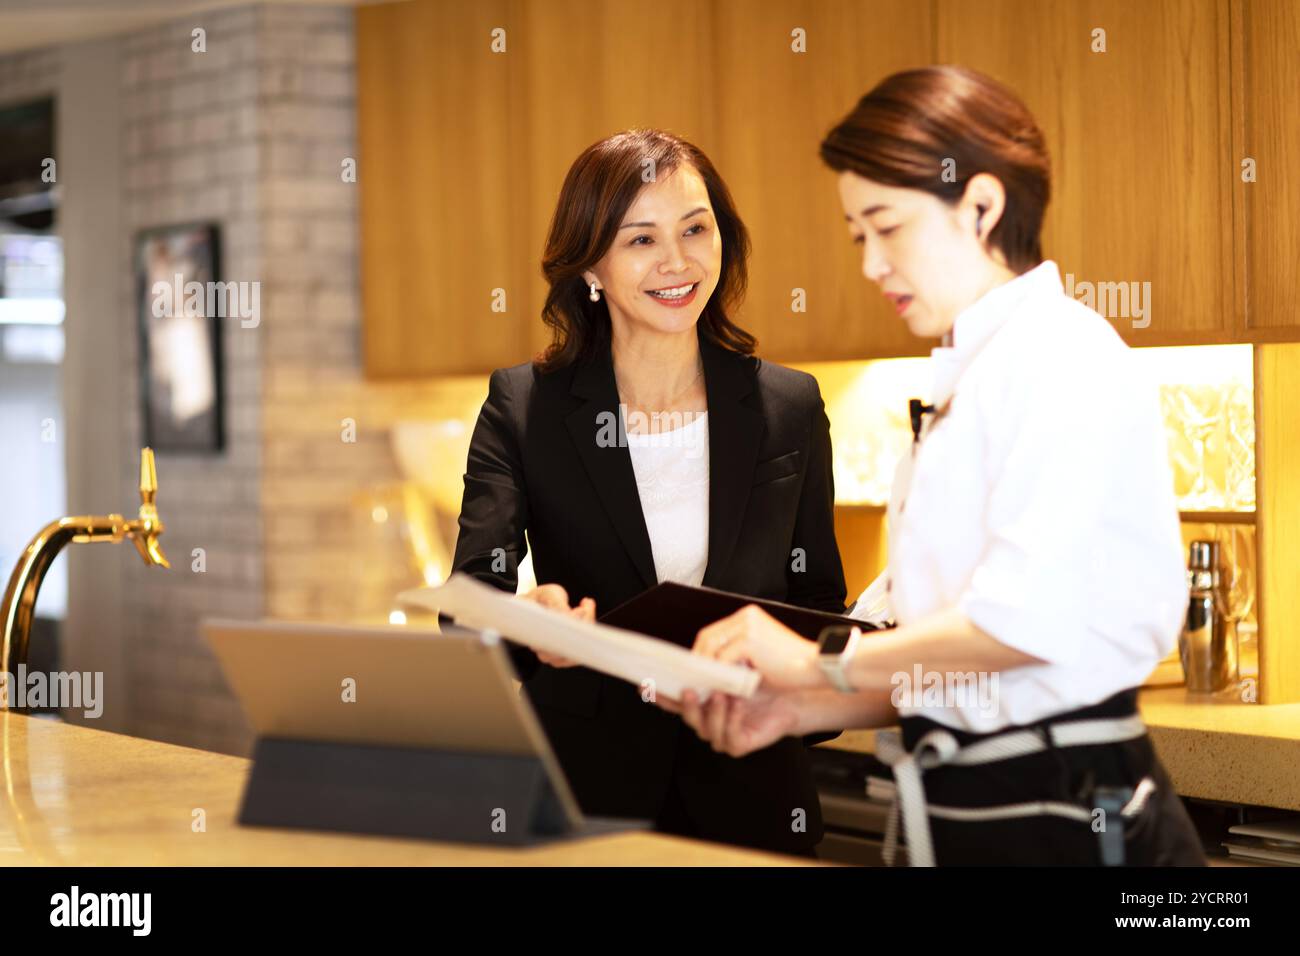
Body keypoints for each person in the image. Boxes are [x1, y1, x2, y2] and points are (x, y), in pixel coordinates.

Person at [662, 67, 1207, 866]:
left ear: (981, 206)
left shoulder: (1064, 354)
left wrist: (819, 661)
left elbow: (1021, 622)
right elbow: (946, 656)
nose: (872, 265)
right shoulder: (970, 378)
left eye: (888, 227)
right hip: (978, 816)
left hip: (1074, 816)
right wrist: (800, 709)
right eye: (858, 237)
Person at [452, 128, 847, 856]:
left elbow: (820, 604)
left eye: (696, 228)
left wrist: (795, 701)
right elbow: (466, 609)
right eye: (641, 240)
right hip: (587, 804)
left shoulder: (788, 405)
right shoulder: (524, 406)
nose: (677, 261)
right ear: (591, 265)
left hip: (757, 800)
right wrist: (529, 623)